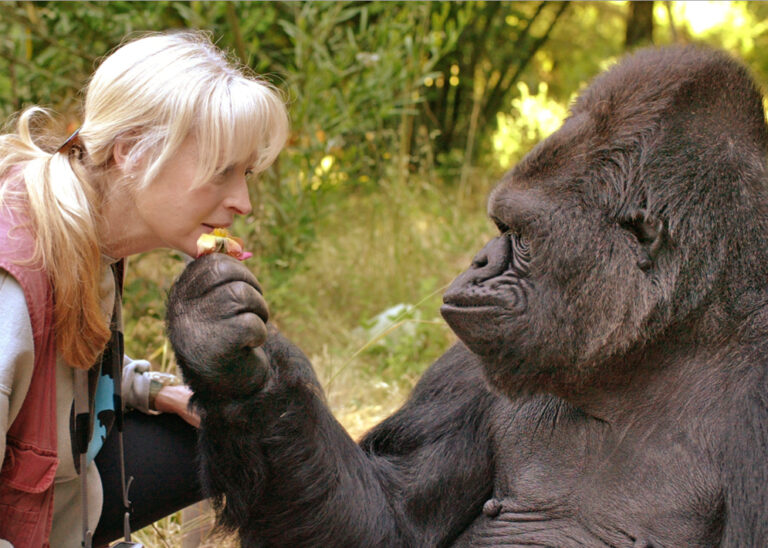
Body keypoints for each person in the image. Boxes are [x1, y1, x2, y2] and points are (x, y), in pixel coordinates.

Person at [0, 30, 289, 547]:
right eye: (222, 171)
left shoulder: (85, 233)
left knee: (241, 431)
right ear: (133, 152)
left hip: (68, 500)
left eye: (244, 172)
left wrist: (154, 390)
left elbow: (59, 371)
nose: (243, 201)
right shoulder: (13, 282)